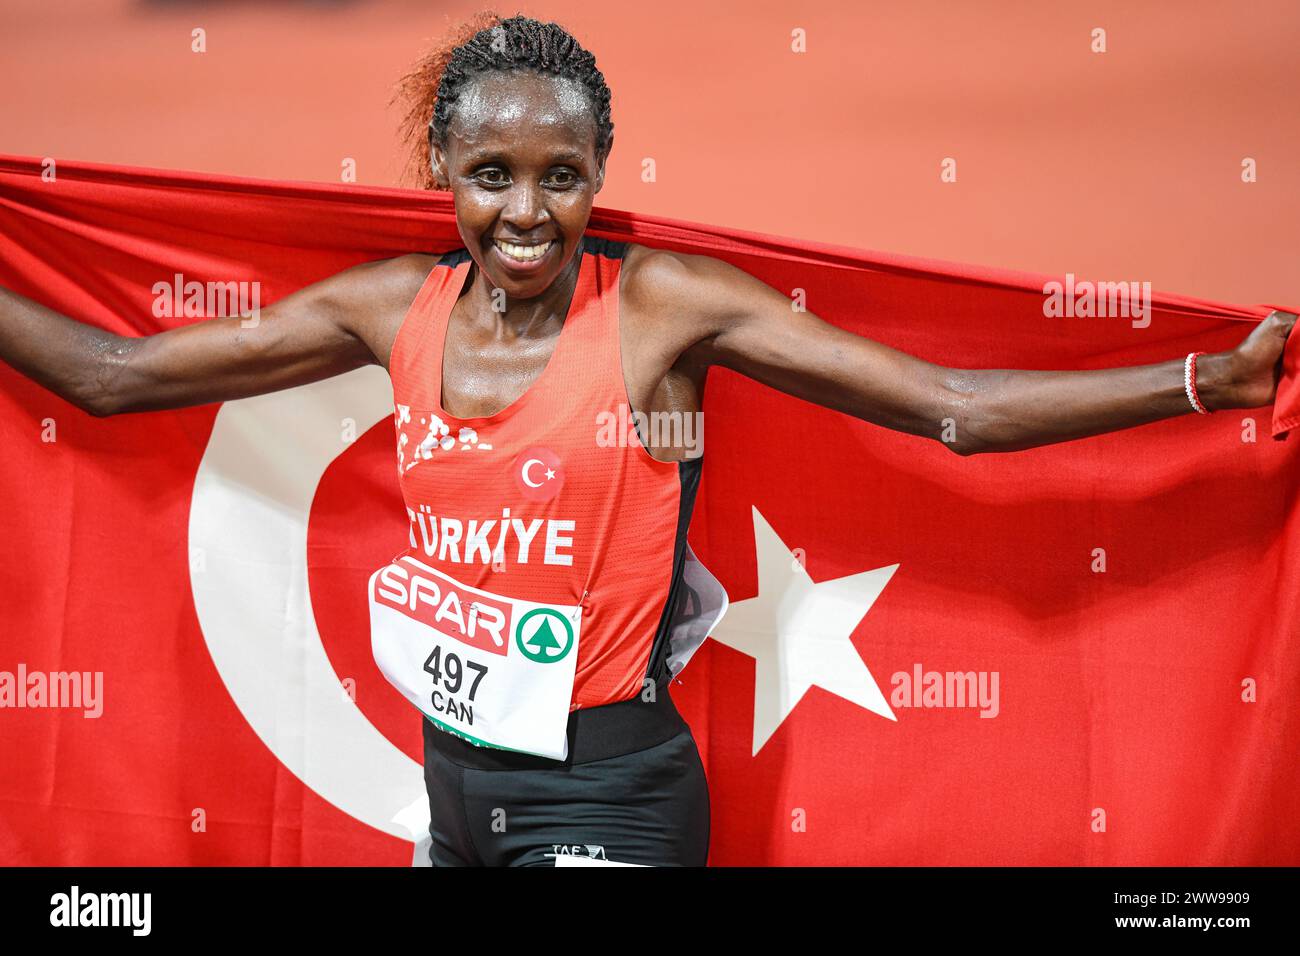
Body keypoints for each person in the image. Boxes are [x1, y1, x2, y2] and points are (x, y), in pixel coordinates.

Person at [0, 12, 1294, 867]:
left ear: (600, 168)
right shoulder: (389, 307)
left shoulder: (665, 306)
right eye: (491, 174)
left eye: (561, 174)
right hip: (455, 791)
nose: (526, 212)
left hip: (609, 797)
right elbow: (114, 378)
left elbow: (953, 411)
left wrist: (1201, 382)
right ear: (441, 170)